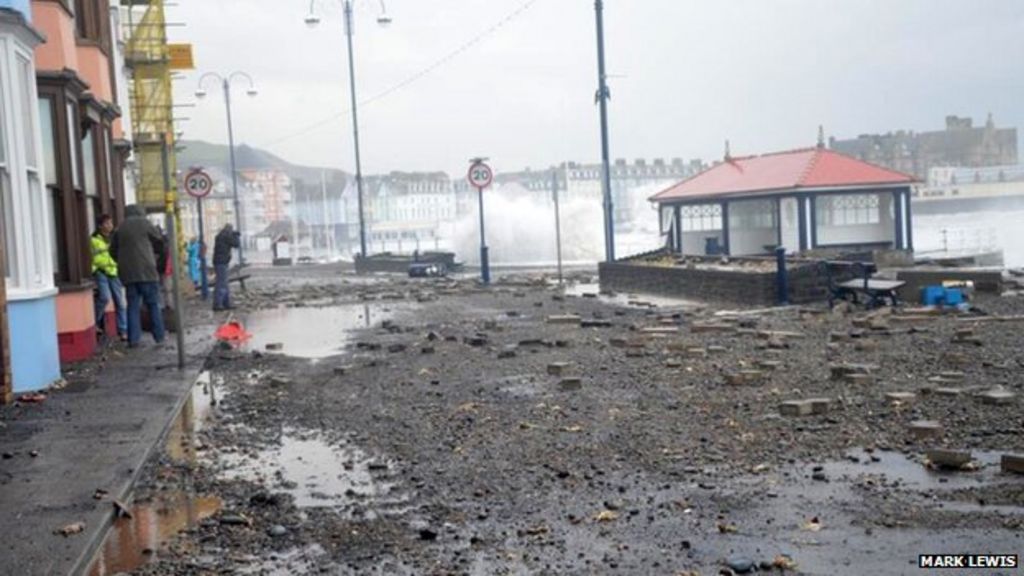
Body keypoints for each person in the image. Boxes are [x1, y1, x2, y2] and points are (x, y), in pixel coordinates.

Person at [110, 205, 166, 348]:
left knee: (132, 306)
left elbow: (112, 251)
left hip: (128, 274)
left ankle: (133, 339)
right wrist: (156, 257)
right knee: (153, 304)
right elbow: (159, 241)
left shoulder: (120, 228)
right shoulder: (144, 223)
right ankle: (159, 337)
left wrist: (122, 262)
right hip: (147, 271)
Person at [91, 214, 127, 342]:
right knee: (105, 297)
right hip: (101, 272)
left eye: (111, 223)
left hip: (114, 271)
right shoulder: (94, 239)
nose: (110, 226)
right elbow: (91, 257)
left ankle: (123, 330)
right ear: (100, 226)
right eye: (106, 223)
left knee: (120, 302)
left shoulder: (115, 238)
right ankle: (95, 323)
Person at [213, 223, 241, 311]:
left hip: (220, 261)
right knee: (222, 283)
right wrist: (236, 235)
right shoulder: (225, 236)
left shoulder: (220, 236)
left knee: (224, 283)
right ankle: (219, 304)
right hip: (222, 262)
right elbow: (236, 244)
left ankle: (225, 303)